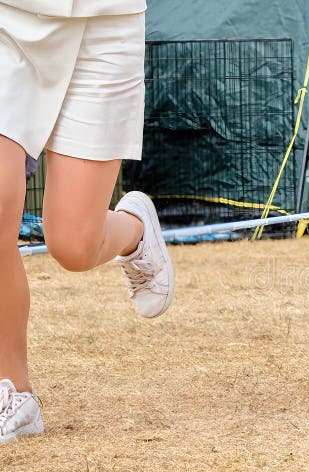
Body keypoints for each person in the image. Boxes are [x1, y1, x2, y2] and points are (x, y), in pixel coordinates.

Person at [0, 0, 175, 442]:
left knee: (73, 246)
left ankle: (133, 229)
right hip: (8, 19)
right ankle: (14, 392)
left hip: (105, 21)